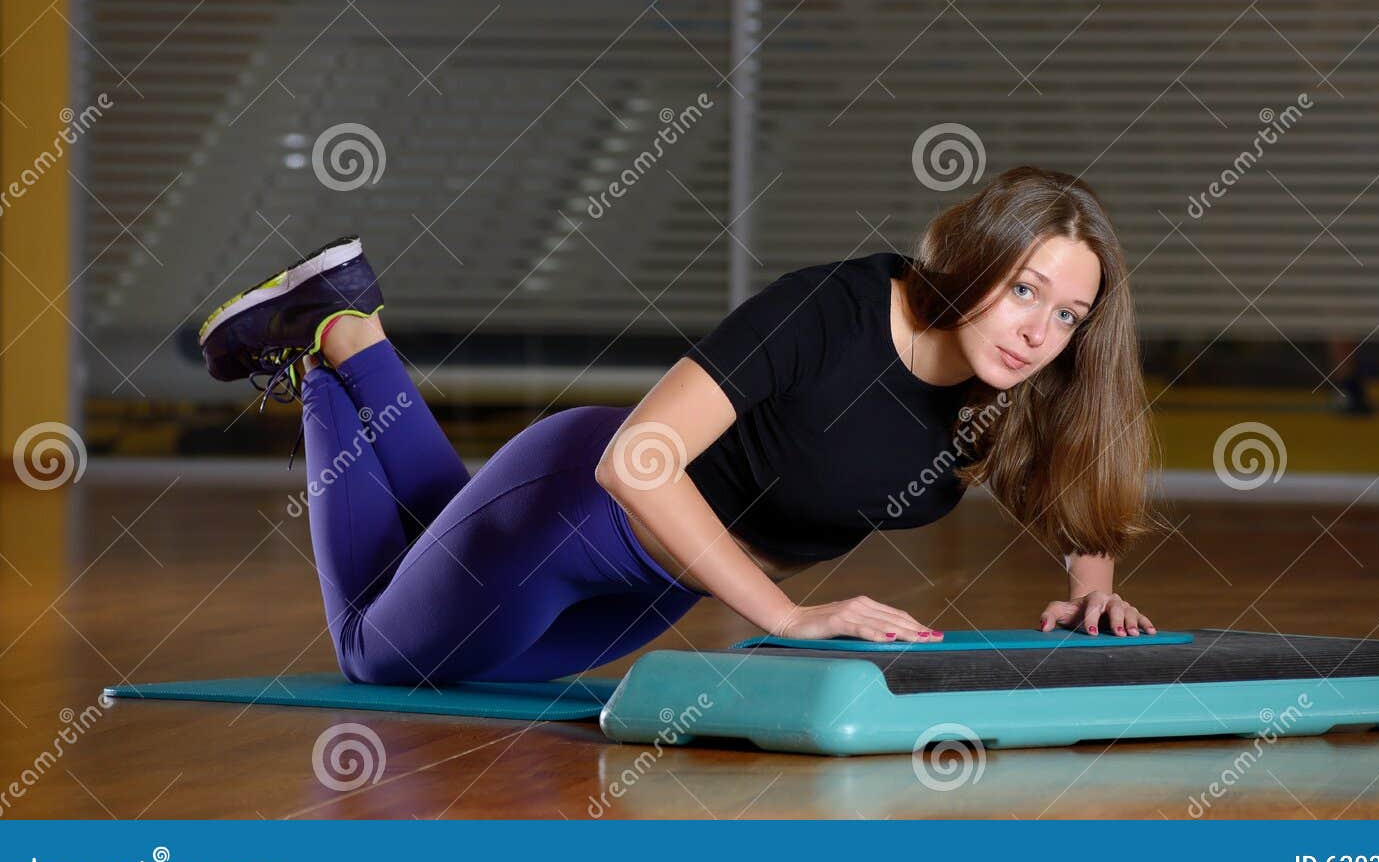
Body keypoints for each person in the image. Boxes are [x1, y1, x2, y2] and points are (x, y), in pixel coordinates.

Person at [197, 165, 1161, 686]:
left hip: (666, 579)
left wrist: (1093, 588)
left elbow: (1064, 485)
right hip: (583, 508)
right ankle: (318, 350)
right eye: (1025, 287)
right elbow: (640, 460)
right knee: (376, 657)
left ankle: (351, 326)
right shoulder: (830, 309)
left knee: (456, 592)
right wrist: (786, 616)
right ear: (981, 253)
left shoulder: (1015, 387)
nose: (1040, 328)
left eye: (1068, 314)